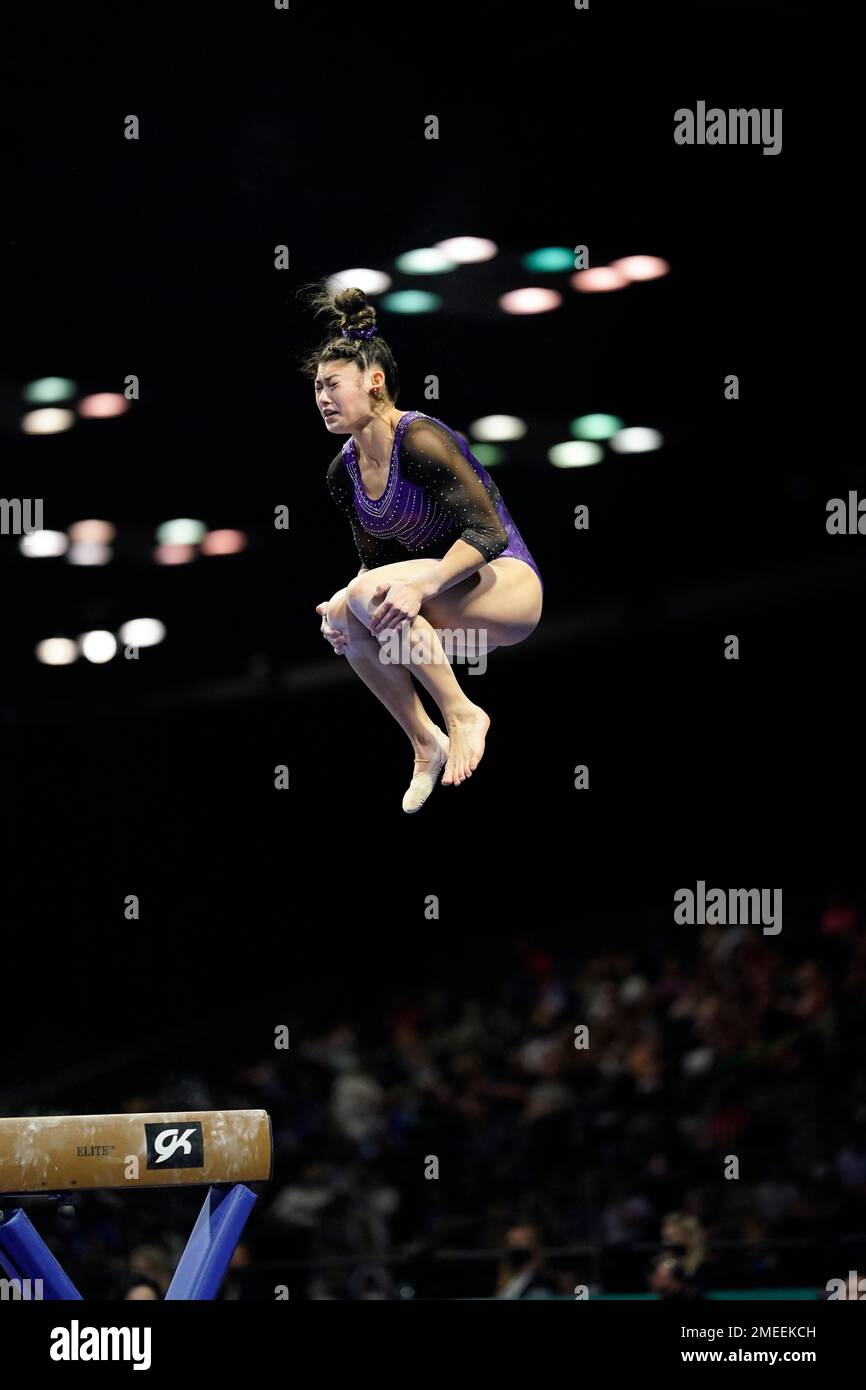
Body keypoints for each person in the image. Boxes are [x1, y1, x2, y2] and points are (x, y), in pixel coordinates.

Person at [302, 281, 543, 812]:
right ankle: (424, 741)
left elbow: (488, 533)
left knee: (365, 594)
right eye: (316, 386)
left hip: (508, 588)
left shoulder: (420, 439)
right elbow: (378, 562)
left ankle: (461, 713)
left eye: (333, 384)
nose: (322, 397)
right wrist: (342, 608)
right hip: (454, 617)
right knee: (347, 612)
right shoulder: (342, 473)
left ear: (375, 382)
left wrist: (417, 586)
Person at [494, 1223, 558, 1299]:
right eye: (513, 1242)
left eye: (523, 1241)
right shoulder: (500, 1277)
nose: (517, 1247)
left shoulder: (544, 1282)